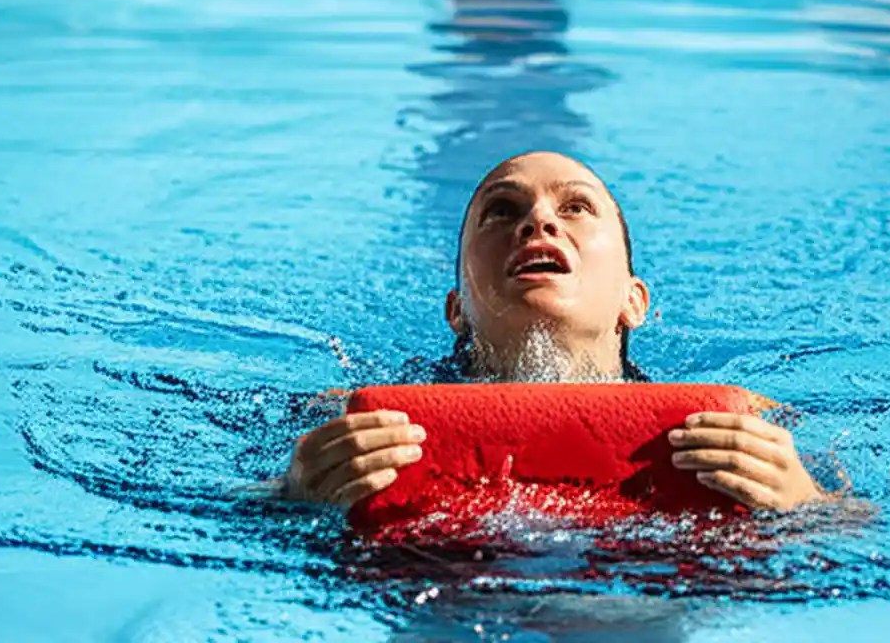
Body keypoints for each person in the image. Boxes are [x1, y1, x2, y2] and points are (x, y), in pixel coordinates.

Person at [282, 151, 825, 513]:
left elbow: (863, 532)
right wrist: (293, 494)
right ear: (457, 309)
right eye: (501, 210)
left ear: (632, 302)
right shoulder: (345, 422)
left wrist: (806, 502)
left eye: (576, 207)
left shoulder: (751, 425)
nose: (538, 222)